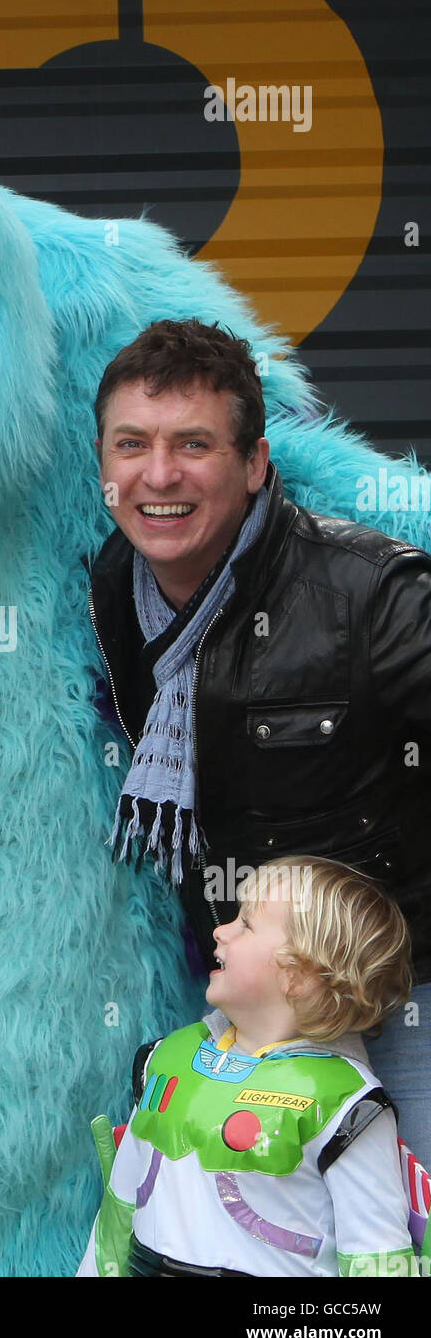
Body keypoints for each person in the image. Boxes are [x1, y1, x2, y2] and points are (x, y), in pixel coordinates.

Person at [86, 317, 431, 1167]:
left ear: (255, 465)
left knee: (401, 1235)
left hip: (392, 1001)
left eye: (193, 444)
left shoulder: (371, 595)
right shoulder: (114, 584)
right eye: (133, 444)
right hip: (245, 999)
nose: (158, 475)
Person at [77, 856, 417, 1277]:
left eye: (246, 924)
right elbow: (120, 1206)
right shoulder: (166, 1058)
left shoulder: (344, 1103)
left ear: (299, 975)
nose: (219, 930)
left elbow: (378, 1256)